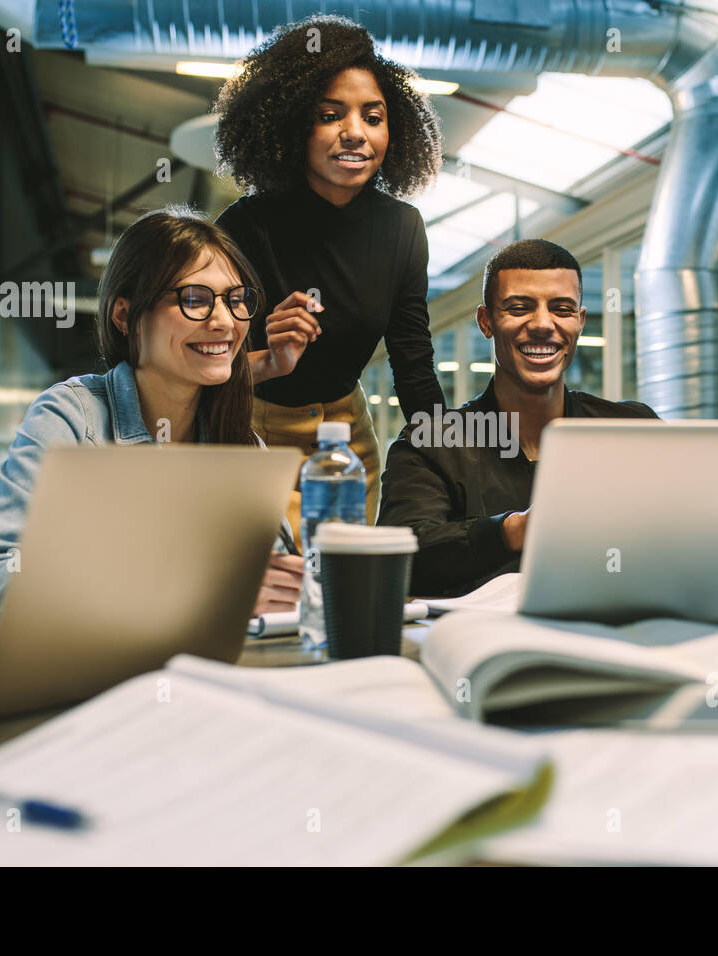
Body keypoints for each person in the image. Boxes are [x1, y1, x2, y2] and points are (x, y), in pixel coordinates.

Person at [0, 207, 305, 634]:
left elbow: (269, 586)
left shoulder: (242, 443)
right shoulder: (70, 419)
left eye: (237, 301)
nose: (224, 322)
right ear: (124, 316)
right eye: (194, 299)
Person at [212, 15, 446, 541]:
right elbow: (200, 368)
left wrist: (448, 451)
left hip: (345, 442)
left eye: (373, 116)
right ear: (294, 125)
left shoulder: (402, 228)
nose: (355, 133)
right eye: (330, 115)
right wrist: (268, 359)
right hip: (249, 433)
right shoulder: (244, 228)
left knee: (340, 591)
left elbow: (413, 362)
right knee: (269, 594)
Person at [378, 239, 659, 597]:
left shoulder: (632, 430)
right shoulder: (432, 444)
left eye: (561, 309)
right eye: (519, 308)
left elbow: (690, 531)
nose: (543, 325)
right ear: (486, 321)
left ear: (580, 321)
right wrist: (512, 530)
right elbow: (399, 557)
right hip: (480, 643)